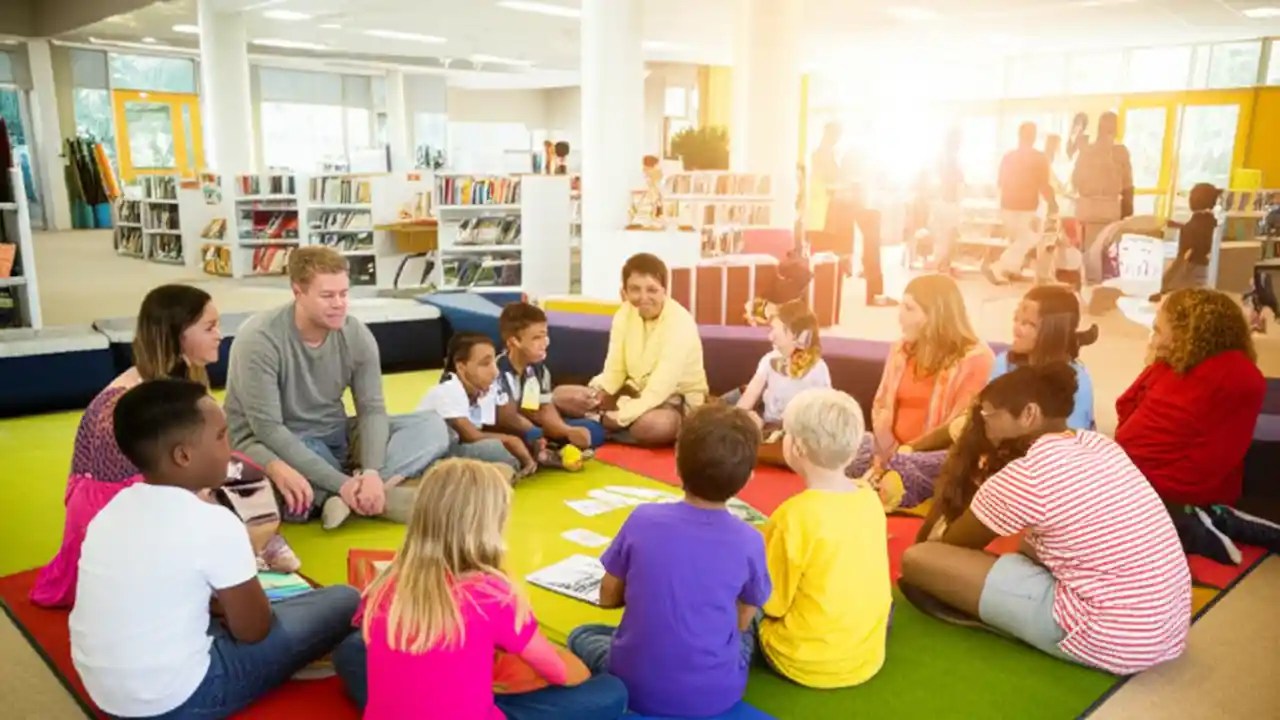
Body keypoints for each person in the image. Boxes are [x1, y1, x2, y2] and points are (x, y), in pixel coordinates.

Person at [71, 379, 359, 719]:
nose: (230, 446)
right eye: (221, 436)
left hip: (103, 693)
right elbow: (254, 630)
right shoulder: (213, 522)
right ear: (183, 456)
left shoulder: (110, 512)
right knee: (345, 599)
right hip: (183, 699)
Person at [900, 364, 1192, 675]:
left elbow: (952, 545)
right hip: (1168, 627)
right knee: (1032, 542)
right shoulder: (1100, 444)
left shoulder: (1027, 475)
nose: (983, 425)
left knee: (918, 559)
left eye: (988, 416)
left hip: (1112, 637)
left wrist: (967, 464)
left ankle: (1016, 621)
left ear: (1028, 414)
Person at [31, 285, 298, 609]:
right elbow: (152, 479)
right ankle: (247, 552)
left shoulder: (175, 382)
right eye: (209, 327)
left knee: (237, 465)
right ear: (177, 335)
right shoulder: (139, 401)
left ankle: (254, 545)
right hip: (115, 506)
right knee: (234, 475)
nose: (220, 335)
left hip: (131, 495)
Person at [332, 458, 628, 720]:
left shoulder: (385, 583)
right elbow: (561, 673)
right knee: (610, 692)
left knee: (355, 650)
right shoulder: (492, 595)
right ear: (489, 526)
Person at [224, 247, 450, 530]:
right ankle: (358, 493)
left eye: (344, 293)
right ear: (298, 292)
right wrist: (343, 482)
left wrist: (370, 471)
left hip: (336, 434)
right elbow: (268, 429)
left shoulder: (356, 334)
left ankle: (356, 493)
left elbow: (372, 410)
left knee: (431, 426)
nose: (339, 304)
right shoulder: (259, 339)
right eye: (327, 296)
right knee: (288, 462)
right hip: (282, 441)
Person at [566, 404, 770, 718]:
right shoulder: (750, 540)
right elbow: (743, 618)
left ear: (676, 461)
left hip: (635, 685)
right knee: (750, 625)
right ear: (748, 480)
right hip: (717, 693)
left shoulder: (642, 520)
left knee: (582, 635)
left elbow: (607, 598)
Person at [1115, 288, 1277, 563]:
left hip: (1161, 487)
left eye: (1159, 328)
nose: (1154, 333)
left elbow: (1131, 435)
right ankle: (1211, 516)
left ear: (1185, 332)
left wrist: (1151, 365)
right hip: (1214, 485)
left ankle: (1191, 524)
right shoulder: (1243, 372)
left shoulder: (1178, 374)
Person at [758, 389, 891, 688]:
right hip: (866, 655)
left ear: (799, 447)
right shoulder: (869, 499)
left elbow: (772, 603)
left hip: (802, 660)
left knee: (736, 600)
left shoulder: (792, 516)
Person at [848, 274, 995, 509]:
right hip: (890, 451)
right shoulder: (901, 349)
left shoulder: (976, 359)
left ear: (935, 314)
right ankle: (885, 485)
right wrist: (885, 453)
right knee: (844, 446)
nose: (900, 316)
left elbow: (959, 429)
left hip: (936, 456)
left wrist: (908, 452)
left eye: (909, 308)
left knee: (914, 469)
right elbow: (881, 405)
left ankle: (886, 486)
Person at [554, 253, 709, 447]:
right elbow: (614, 370)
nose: (644, 298)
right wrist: (598, 394)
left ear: (664, 291)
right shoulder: (624, 314)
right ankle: (607, 425)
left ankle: (602, 426)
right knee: (561, 395)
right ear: (624, 292)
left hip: (671, 403)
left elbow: (659, 390)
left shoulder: (680, 322)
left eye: (652, 290)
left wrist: (621, 417)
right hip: (630, 394)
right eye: (635, 289)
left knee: (653, 426)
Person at [416, 332, 534, 477]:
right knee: (495, 449)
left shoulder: (481, 391)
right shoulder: (448, 390)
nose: (495, 372)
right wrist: (513, 441)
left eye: (494, 363)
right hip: (432, 453)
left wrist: (533, 439)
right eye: (485, 364)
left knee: (508, 447)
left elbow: (497, 424)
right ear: (461, 367)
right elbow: (471, 436)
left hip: (456, 449)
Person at [729, 300, 831, 466]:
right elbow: (748, 398)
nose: (770, 336)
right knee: (746, 422)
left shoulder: (818, 370)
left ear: (796, 335)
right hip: (768, 428)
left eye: (776, 331)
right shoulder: (768, 360)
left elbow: (823, 417)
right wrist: (739, 421)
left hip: (797, 434)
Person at [495, 301, 606, 451]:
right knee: (515, 443)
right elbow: (507, 418)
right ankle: (545, 445)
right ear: (514, 341)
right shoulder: (499, 371)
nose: (545, 343)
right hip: (504, 430)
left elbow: (544, 408)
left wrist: (566, 430)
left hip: (533, 424)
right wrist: (541, 433)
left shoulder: (538, 368)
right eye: (536, 338)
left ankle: (550, 443)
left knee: (594, 430)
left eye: (545, 335)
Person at [986, 122, 1058, 286]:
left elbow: (1000, 182)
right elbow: (1044, 185)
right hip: (1027, 206)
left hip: (1007, 205)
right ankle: (999, 266)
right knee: (1030, 237)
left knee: (1017, 240)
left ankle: (1012, 271)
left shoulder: (1008, 156)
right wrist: (1052, 203)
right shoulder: (1039, 158)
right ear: (1033, 137)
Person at [1073, 111, 1133, 284]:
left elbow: (1076, 180)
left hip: (1091, 208)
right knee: (1107, 251)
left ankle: (1090, 284)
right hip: (1108, 209)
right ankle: (1101, 285)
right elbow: (1128, 184)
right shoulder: (1120, 152)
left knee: (1090, 251)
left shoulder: (1088, 151)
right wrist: (1128, 211)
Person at [1150, 183, 1220, 302]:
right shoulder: (1213, 222)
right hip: (1208, 270)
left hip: (1191, 272)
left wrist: (1164, 287)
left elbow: (1184, 258)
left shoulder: (1190, 228)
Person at [930, 127, 965, 274]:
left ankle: (942, 264)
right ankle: (942, 264)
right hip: (948, 201)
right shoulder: (950, 159)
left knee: (943, 235)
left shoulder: (942, 157)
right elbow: (952, 179)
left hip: (941, 200)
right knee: (949, 234)